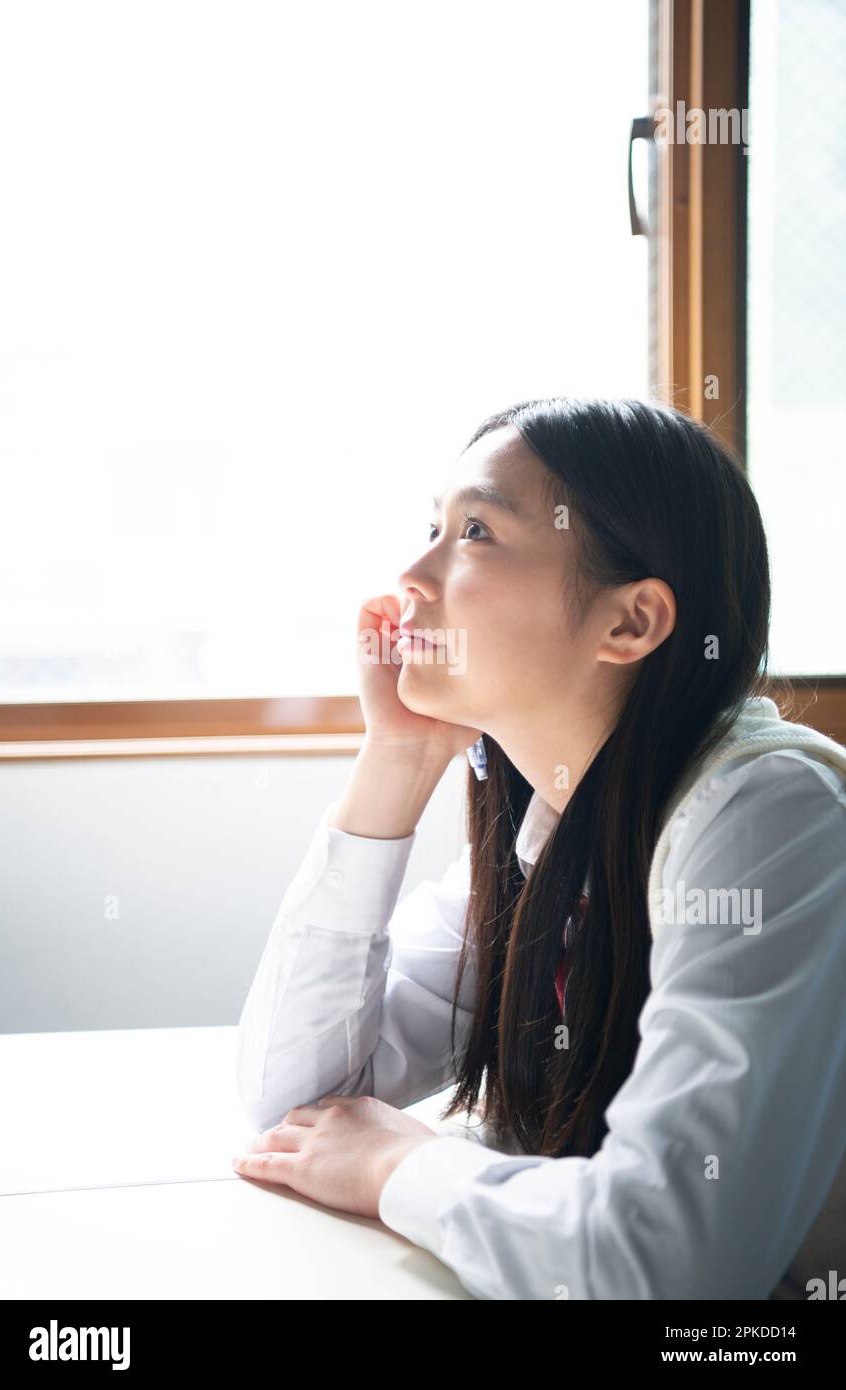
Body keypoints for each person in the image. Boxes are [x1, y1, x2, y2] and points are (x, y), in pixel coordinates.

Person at [233, 396, 846, 1300]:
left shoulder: (769, 816)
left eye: (474, 531)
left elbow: (675, 1266)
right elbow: (295, 1104)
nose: (410, 573)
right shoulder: (552, 825)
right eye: (430, 527)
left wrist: (397, 1169)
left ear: (629, 623)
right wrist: (398, 757)